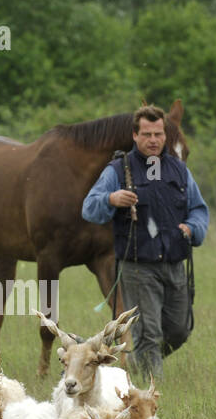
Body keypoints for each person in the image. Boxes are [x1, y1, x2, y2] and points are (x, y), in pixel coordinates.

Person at [81, 104, 209, 379]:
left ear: (165, 136)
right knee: (149, 333)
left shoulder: (179, 170)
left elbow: (199, 209)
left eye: (158, 134)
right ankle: (154, 395)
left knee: (179, 330)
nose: (153, 140)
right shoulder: (118, 170)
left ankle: (138, 366)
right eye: (147, 134)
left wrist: (193, 227)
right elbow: (89, 207)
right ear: (135, 136)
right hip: (137, 266)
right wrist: (111, 199)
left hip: (175, 262)